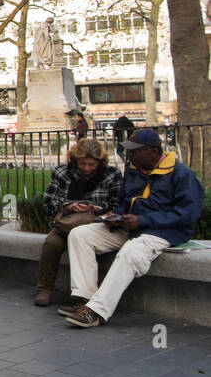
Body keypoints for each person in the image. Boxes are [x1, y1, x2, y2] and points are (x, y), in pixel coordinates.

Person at [63, 128, 205, 327]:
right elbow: (124, 201)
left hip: (164, 231)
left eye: (135, 151)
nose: (129, 155)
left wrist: (142, 220)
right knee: (80, 234)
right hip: (131, 227)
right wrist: (115, 216)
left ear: (154, 152)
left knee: (131, 252)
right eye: (129, 150)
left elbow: (187, 214)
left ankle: (96, 311)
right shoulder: (133, 171)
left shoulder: (182, 175)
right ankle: (84, 299)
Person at [33, 139, 121, 307]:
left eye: (92, 164)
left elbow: (117, 204)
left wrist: (96, 208)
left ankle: (84, 296)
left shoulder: (112, 174)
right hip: (67, 223)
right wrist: (68, 206)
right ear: (75, 160)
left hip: (95, 225)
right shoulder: (62, 173)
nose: (87, 168)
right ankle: (44, 288)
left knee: (83, 242)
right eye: (83, 164)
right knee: (51, 244)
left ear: (99, 162)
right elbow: (48, 202)